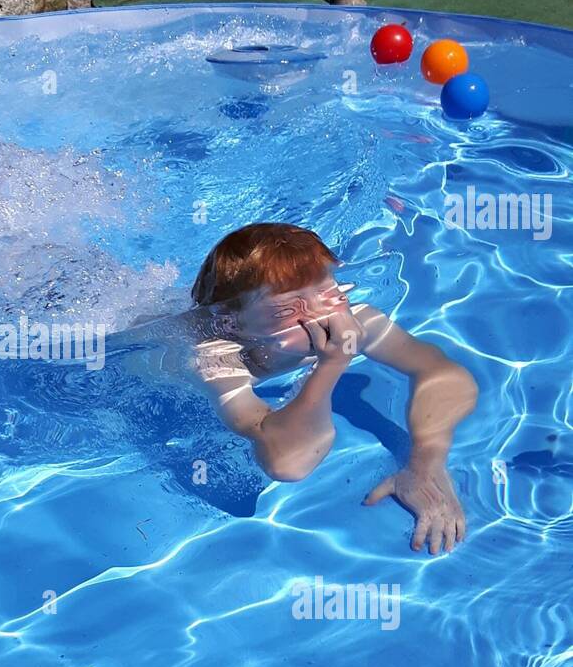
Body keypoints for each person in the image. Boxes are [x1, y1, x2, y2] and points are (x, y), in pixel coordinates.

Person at [187, 222, 478, 554]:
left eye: (330, 293)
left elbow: (446, 375)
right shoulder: (216, 360)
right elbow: (287, 462)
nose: (325, 316)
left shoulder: (356, 320)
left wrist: (425, 464)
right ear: (233, 324)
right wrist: (333, 364)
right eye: (289, 309)